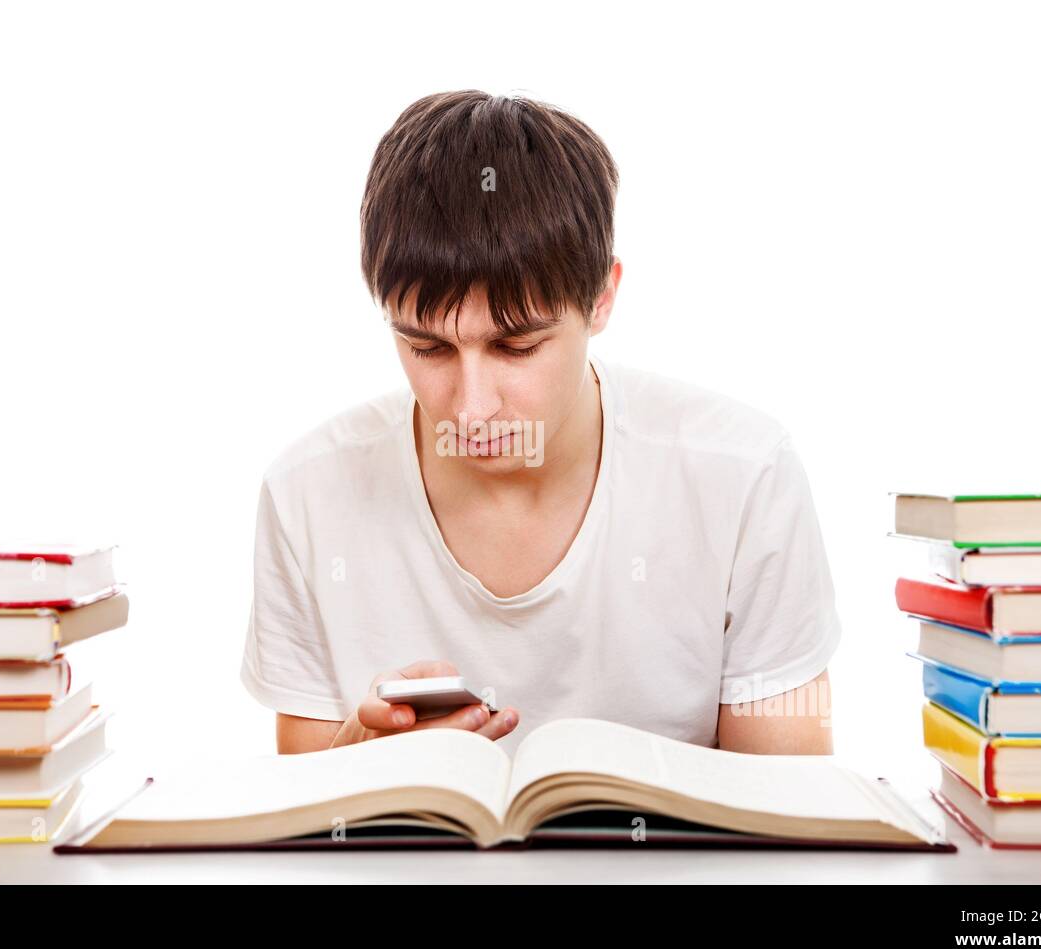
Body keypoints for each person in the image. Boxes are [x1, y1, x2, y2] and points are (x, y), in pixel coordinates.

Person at [241, 90, 840, 759]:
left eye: (517, 348)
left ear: (603, 297)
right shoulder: (306, 493)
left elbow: (787, 815)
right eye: (426, 347)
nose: (470, 409)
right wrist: (360, 748)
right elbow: (314, 823)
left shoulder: (744, 474)